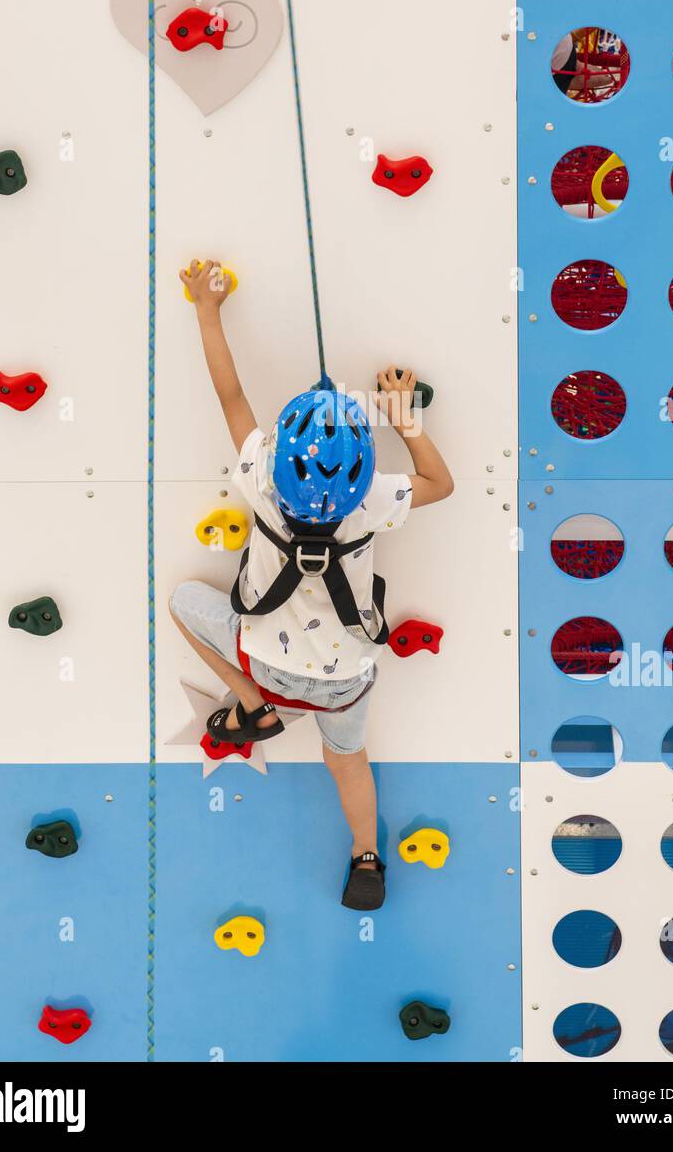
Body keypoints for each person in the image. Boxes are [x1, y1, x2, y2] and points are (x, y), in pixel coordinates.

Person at [169, 260, 454, 910]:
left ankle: (253, 706)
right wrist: (403, 418)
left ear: (279, 454)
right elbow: (441, 485)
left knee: (184, 601)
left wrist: (207, 310)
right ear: (363, 469)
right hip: (343, 679)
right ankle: (366, 858)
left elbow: (231, 397)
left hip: (265, 667)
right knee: (347, 763)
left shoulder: (262, 479)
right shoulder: (371, 500)